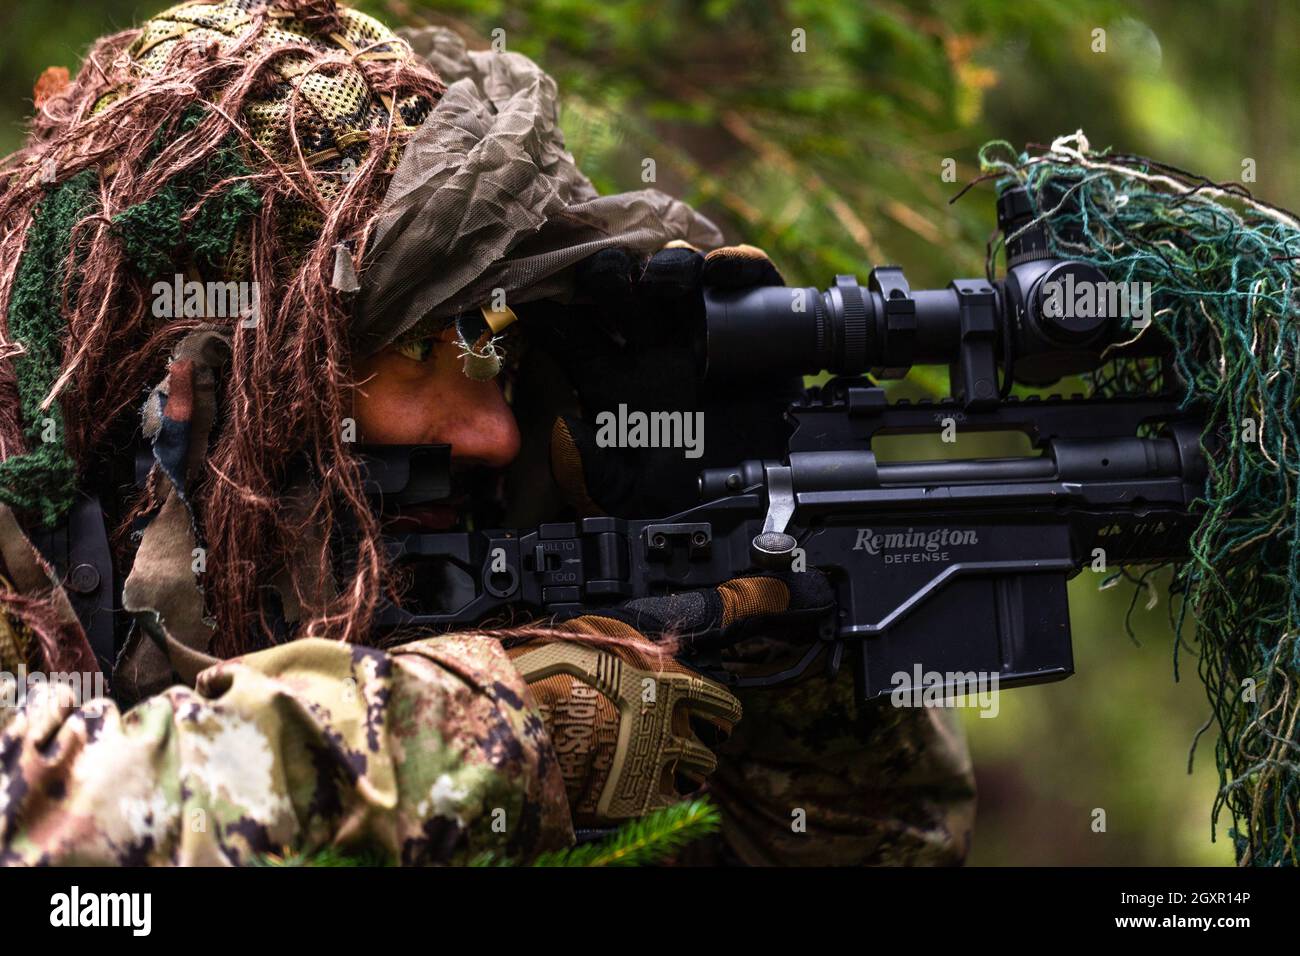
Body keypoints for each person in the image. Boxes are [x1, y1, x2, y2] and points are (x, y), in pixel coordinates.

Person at [0, 0, 974, 866]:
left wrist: (774, 639)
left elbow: (886, 841)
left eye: (490, 345)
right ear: (199, 378)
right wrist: (476, 730)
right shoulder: (27, 525)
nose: (495, 433)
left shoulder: (487, 523)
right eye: (419, 347)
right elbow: (46, 826)